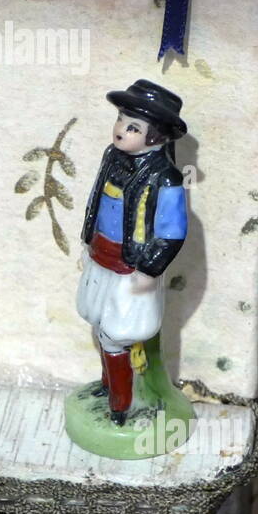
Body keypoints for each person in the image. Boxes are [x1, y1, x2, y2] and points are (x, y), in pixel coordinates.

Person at [77, 79, 189, 425]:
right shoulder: (112, 157)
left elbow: (172, 232)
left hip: (132, 267)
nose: (121, 131)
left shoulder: (166, 179)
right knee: (98, 323)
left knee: (116, 335)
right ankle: (107, 383)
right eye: (121, 121)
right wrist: (86, 240)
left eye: (133, 127)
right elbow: (96, 200)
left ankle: (120, 403)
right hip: (102, 256)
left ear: (157, 136)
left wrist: (149, 269)